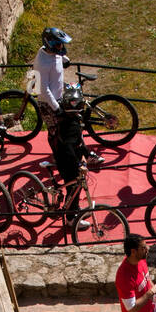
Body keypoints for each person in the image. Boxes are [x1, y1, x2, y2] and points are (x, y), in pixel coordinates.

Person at [52, 83, 103, 229]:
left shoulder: (70, 119)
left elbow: (79, 141)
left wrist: (87, 154)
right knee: (73, 186)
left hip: (69, 157)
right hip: (66, 160)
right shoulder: (70, 125)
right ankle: (71, 218)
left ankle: (75, 210)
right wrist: (79, 164)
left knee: (77, 186)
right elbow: (69, 148)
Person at [32, 26, 72, 151]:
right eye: (59, 44)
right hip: (48, 103)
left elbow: (57, 56)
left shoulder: (50, 51)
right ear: (50, 44)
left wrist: (65, 59)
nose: (61, 47)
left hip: (58, 98)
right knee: (54, 132)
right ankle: (57, 156)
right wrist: (56, 107)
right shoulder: (42, 64)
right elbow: (43, 89)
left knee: (66, 128)